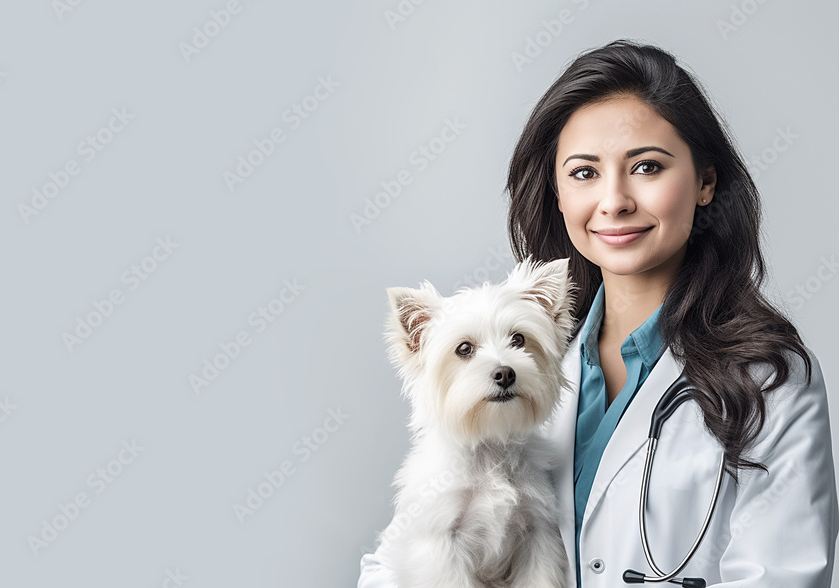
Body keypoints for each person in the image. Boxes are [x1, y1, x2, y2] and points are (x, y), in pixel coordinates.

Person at [358, 39, 838, 587]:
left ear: (706, 182)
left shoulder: (770, 380)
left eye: (647, 167)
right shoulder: (529, 350)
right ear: (558, 193)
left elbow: (784, 575)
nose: (614, 200)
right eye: (584, 173)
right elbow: (399, 560)